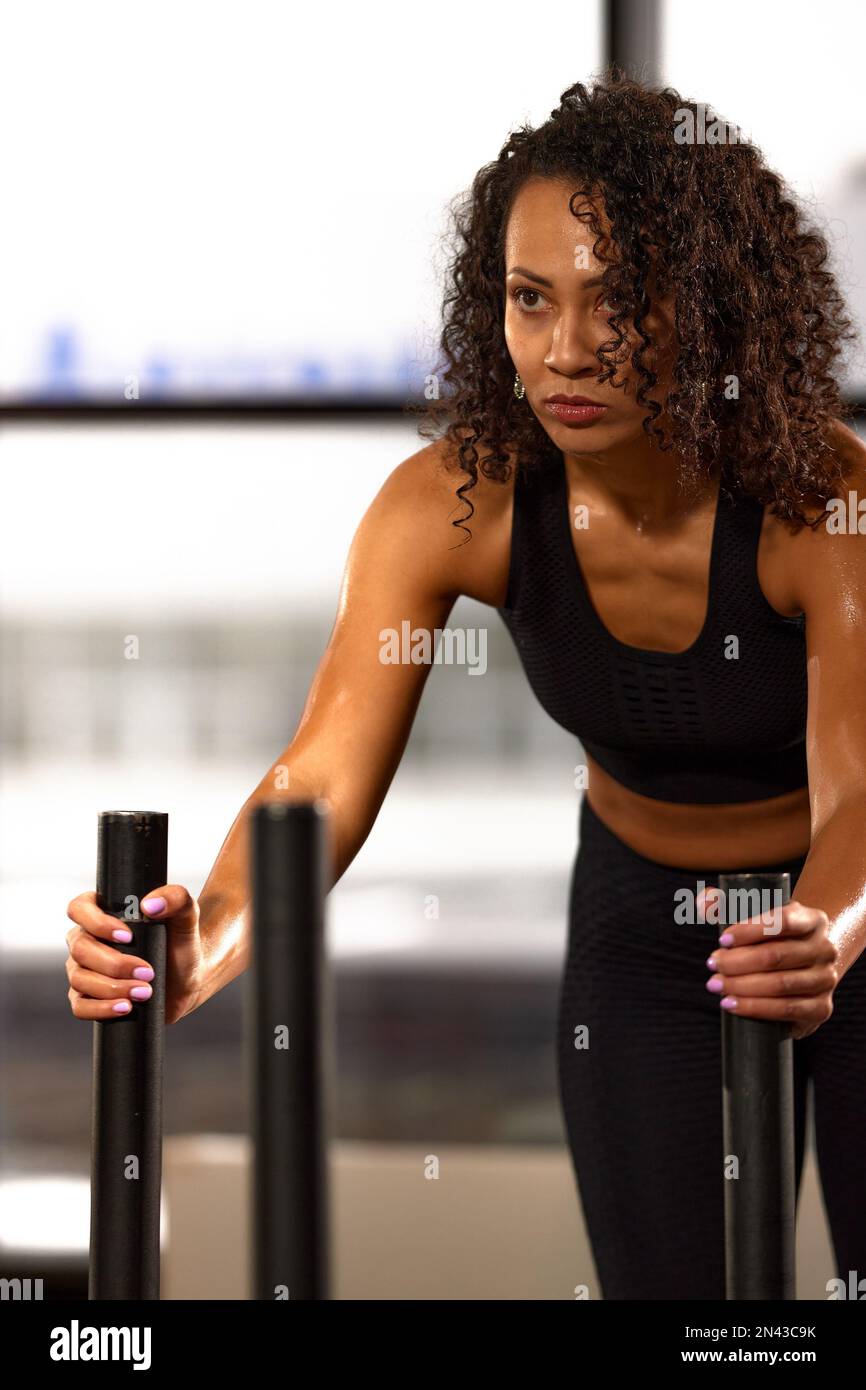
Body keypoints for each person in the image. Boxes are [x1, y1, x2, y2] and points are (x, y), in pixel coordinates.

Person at [65, 72, 866, 1299]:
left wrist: (820, 933)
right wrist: (201, 938)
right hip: (644, 933)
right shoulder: (455, 501)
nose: (564, 351)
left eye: (618, 302)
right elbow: (319, 772)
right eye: (529, 299)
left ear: (706, 308)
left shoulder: (819, 497)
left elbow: (857, 787)